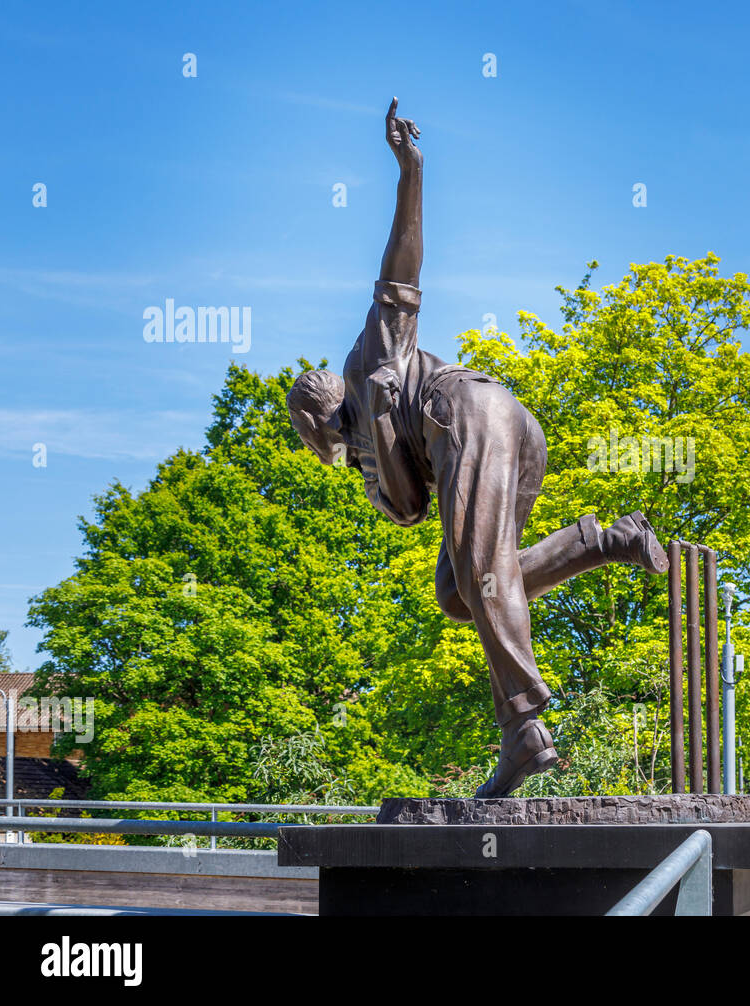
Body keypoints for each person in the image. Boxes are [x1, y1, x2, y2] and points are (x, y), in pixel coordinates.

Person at [286, 98, 668, 797]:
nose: (314, 448)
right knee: (460, 593)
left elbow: (400, 273)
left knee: (480, 572)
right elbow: (407, 503)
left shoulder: (368, 358)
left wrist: (411, 175)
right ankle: (606, 541)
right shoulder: (367, 450)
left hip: (467, 414)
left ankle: (525, 727)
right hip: (508, 430)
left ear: (314, 422)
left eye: (306, 433)